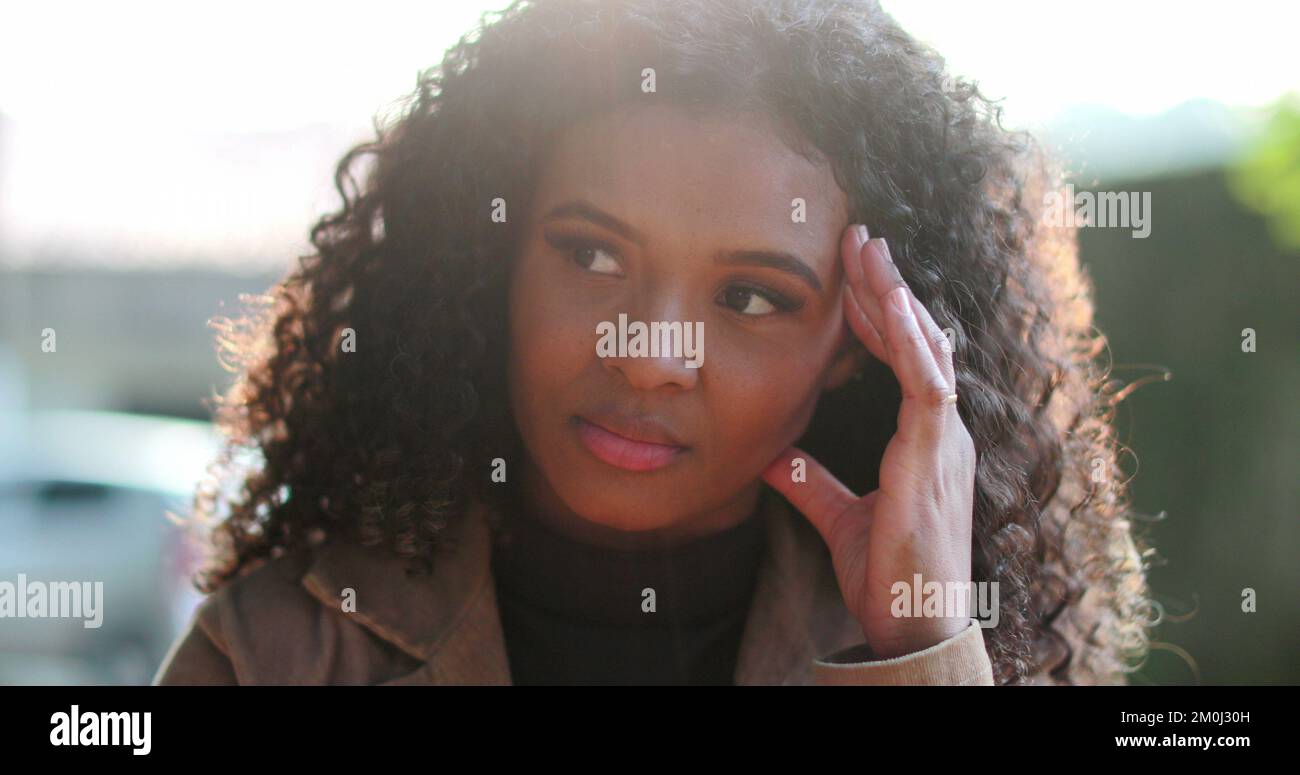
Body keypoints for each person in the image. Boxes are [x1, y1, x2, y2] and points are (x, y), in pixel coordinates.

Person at [154, 0, 1151, 686]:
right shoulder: (275, 652)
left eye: (751, 296)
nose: (648, 354)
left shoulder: (928, 650)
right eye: (591, 254)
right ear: (492, 260)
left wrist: (922, 646)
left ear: (859, 345)